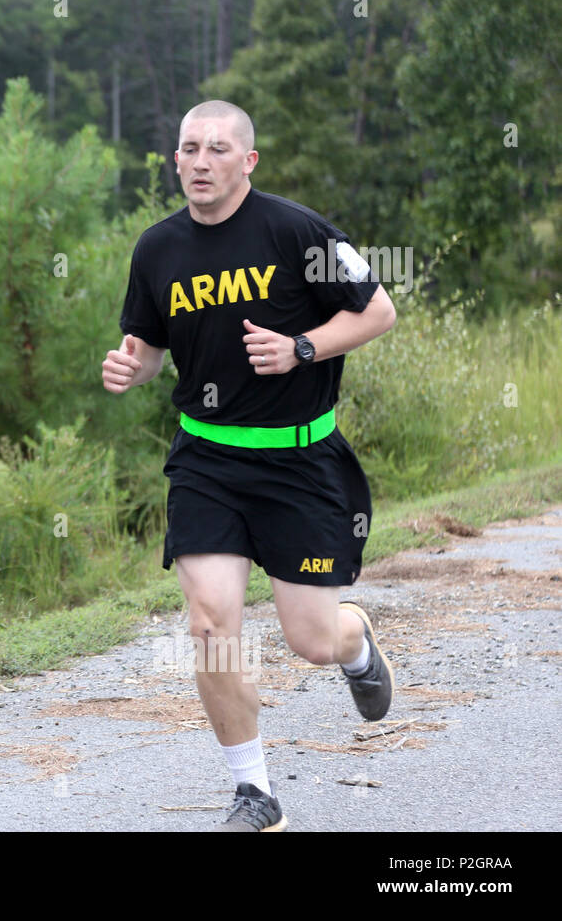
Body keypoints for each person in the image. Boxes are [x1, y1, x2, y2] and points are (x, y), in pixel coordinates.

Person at [103, 100, 398, 831]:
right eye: (189, 149)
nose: (201, 162)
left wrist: (301, 348)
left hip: (298, 461)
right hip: (206, 458)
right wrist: (129, 368)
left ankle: (354, 643)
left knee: (311, 640)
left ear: (248, 160)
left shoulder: (298, 231)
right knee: (210, 622)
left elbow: (378, 312)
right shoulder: (157, 249)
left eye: (217, 149)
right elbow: (147, 344)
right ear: (175, 160)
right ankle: (255, 795)